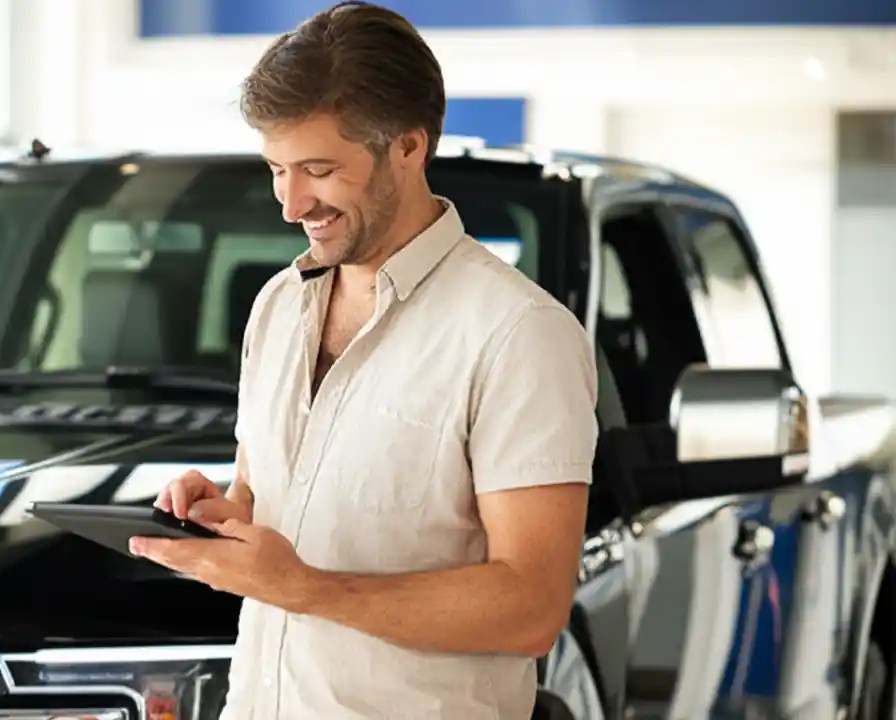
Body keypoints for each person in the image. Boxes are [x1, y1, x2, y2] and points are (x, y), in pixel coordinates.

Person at [127, 2, 598, 717]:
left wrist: (304, 586)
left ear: (408, 148)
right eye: (278, 169)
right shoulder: (279, 308)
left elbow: (532, 606)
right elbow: (266, 497)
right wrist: (225, 516)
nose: (291, 204)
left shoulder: (518, 334)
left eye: (319, 169)